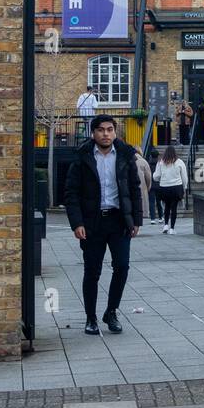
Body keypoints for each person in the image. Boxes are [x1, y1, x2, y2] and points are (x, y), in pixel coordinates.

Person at [64, 115, 144, 336]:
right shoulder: (83, 157)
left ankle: (111, 312)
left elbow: (134, 189)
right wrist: (77, 223)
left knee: (122, 266)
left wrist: (136, 220)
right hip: (92, 222)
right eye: (101, 130)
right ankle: (91, 318)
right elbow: (71, 193)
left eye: (110, 129)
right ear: (93, 133)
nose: (106, 134)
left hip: (119, 220)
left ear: (115, 132)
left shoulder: (126, 156)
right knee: (92, 271)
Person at [153, 144, 189, 234]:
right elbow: (184, 177)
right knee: (174, 208)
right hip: (176, 187)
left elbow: (156, 176)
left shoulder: (161, 162)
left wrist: (158, 177)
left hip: (164, 187)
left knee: (167, 206)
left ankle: (165, 225)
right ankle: (172, 228)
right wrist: (185, 186)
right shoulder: (180, 162)